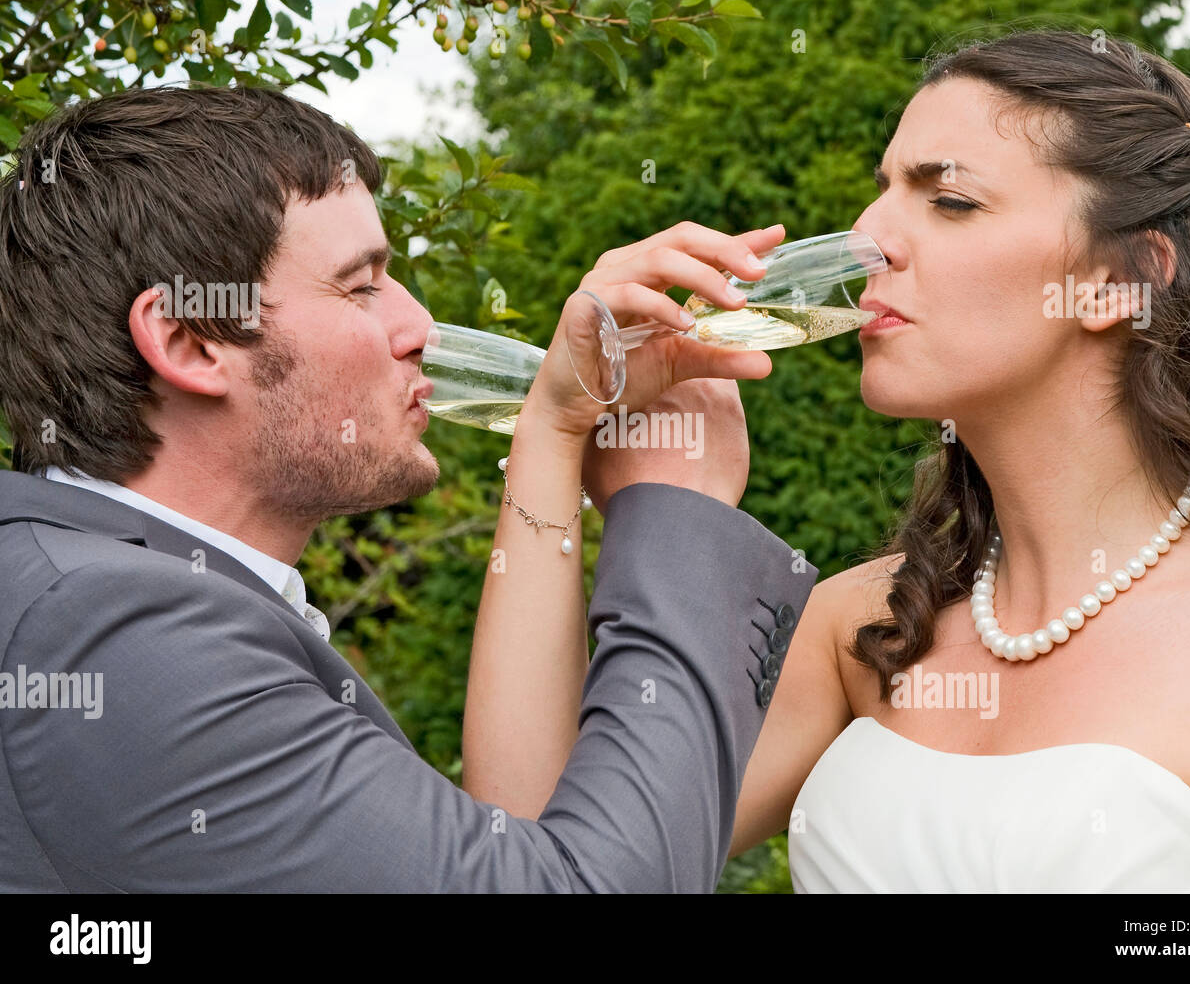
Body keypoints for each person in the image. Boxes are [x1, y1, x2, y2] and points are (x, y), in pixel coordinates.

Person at [479, 30, 1190, 892]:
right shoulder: (862, 630)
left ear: (1120, 279)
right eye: (880, 194)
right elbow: (537, 860)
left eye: (949, 201)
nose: (868, 235)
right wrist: (553, 433)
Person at [0, 85, 818, 892]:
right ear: (188, 341)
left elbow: (524, 847)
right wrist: (682, 510)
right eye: (361, 284)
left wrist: (554, 435)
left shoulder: (79, 586)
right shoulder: (112, 634)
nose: (419, 326)